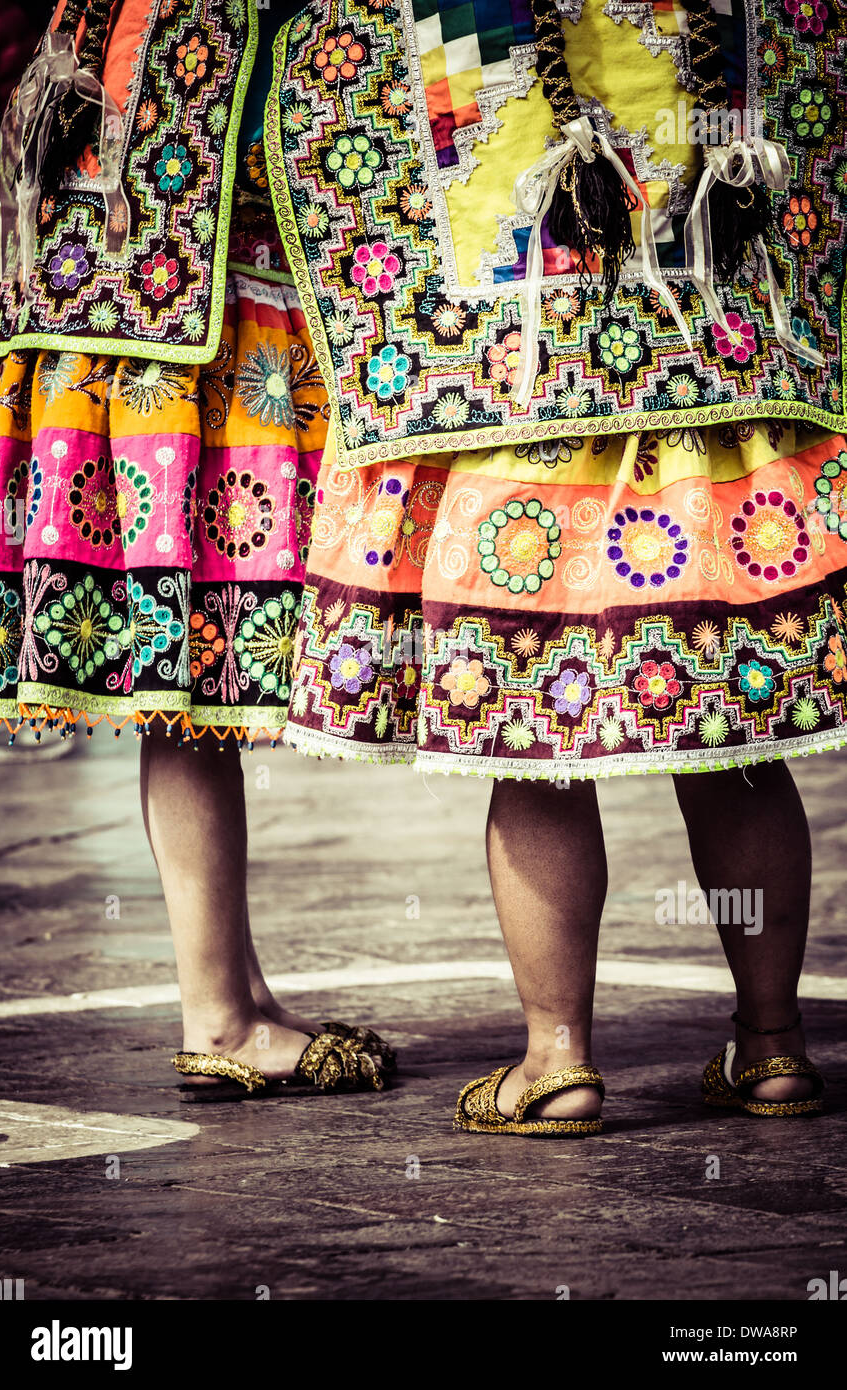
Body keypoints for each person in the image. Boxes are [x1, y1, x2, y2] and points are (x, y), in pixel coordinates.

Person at [268, 0, 845, 1132]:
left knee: (534, 744)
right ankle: (770, 1045)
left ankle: (556, 1059)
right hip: (710, 359)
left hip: (513, 369)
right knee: (733, 733)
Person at [0, 0, 395, 1100]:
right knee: (182, 669)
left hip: (151, 242)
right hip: (163, 255)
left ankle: (232, 994)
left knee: (193, 677)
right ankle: (217, 1010)